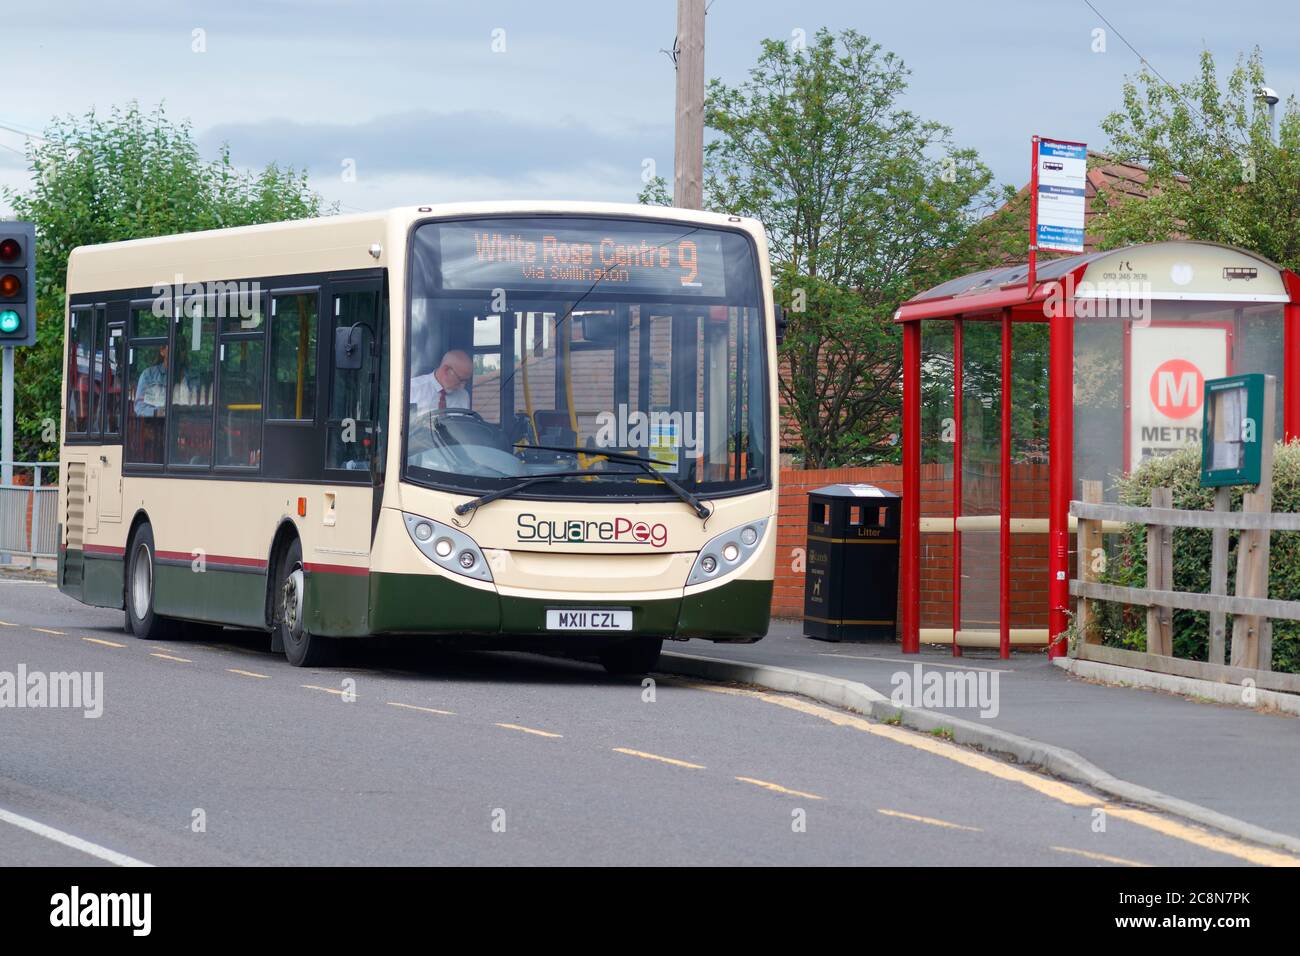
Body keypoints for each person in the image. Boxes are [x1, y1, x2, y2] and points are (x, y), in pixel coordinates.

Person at [410, 348, 472, 414]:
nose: (462, 386)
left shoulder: (463, 396)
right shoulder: (412, 389)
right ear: (446, 370)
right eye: (460, 379)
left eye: (466, 380)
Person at [133, 345, 169, 417]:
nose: (178, 351)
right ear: (162, 351)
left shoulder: (191, 376)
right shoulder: (148, 375)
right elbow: (140, 408)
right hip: (159, 425)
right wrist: (158, 412)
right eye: (174, 345)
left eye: (182, 348)